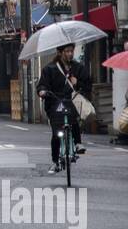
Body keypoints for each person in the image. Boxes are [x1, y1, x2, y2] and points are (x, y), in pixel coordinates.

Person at [36, 43, 92, 174]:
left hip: (72, 101)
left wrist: (78, 83)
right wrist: (42, 91)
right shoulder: (49, 69)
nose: (70, 54)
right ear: (60, 52)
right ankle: (55, 161)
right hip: (55, 103)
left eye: (71, 51)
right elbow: (42, 85)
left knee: (73, 120)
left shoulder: (78, 68)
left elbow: (88, 85)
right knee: (56, 133)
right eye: (67, 51)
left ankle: (78, 143)